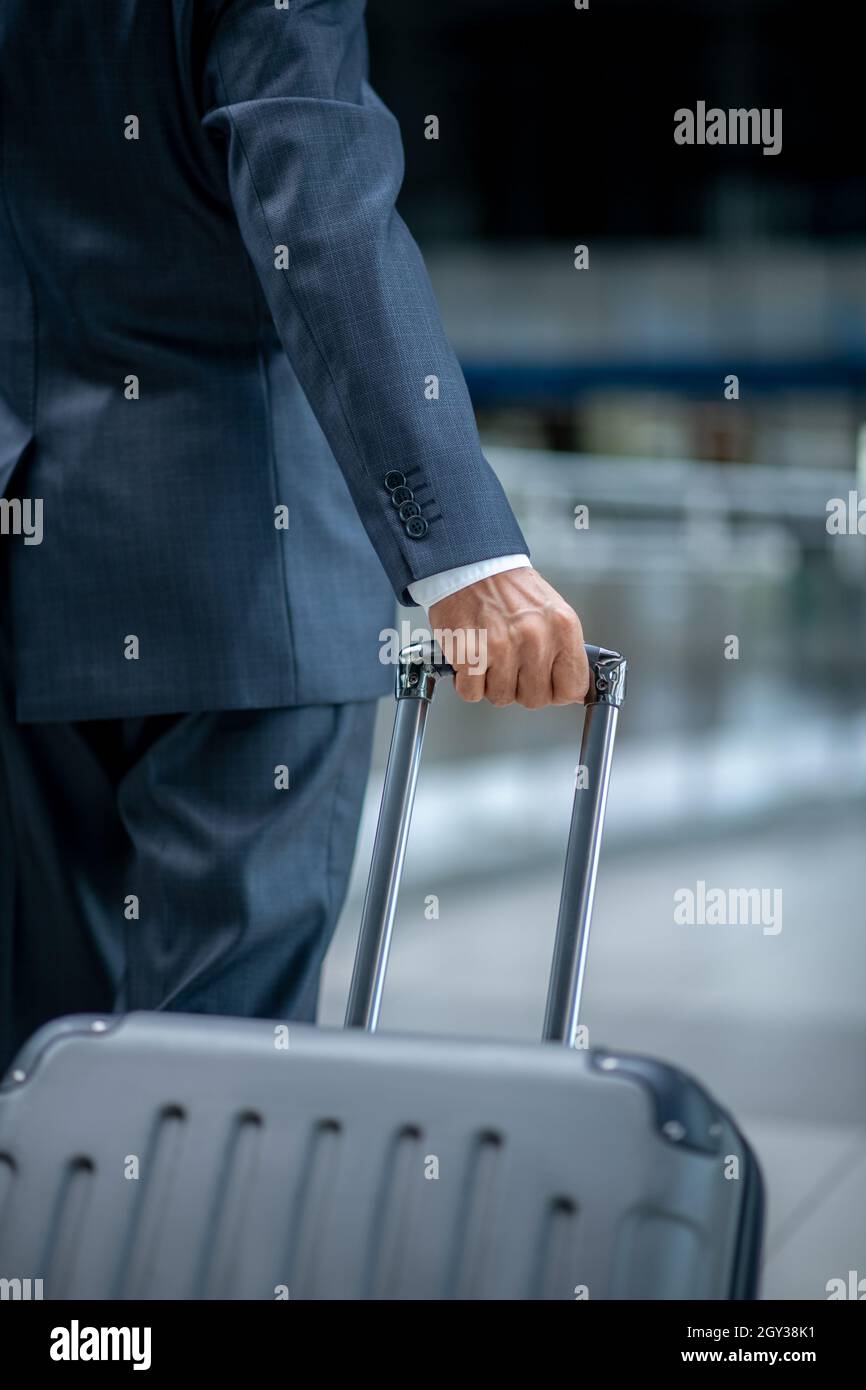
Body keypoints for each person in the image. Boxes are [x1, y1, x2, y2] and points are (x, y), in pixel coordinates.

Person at [0, 0, 588, 1071]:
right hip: (242, 573)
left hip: (29, 552)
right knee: (206, 1067)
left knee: (41, 1068)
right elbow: (318, 211)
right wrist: (463, 553)